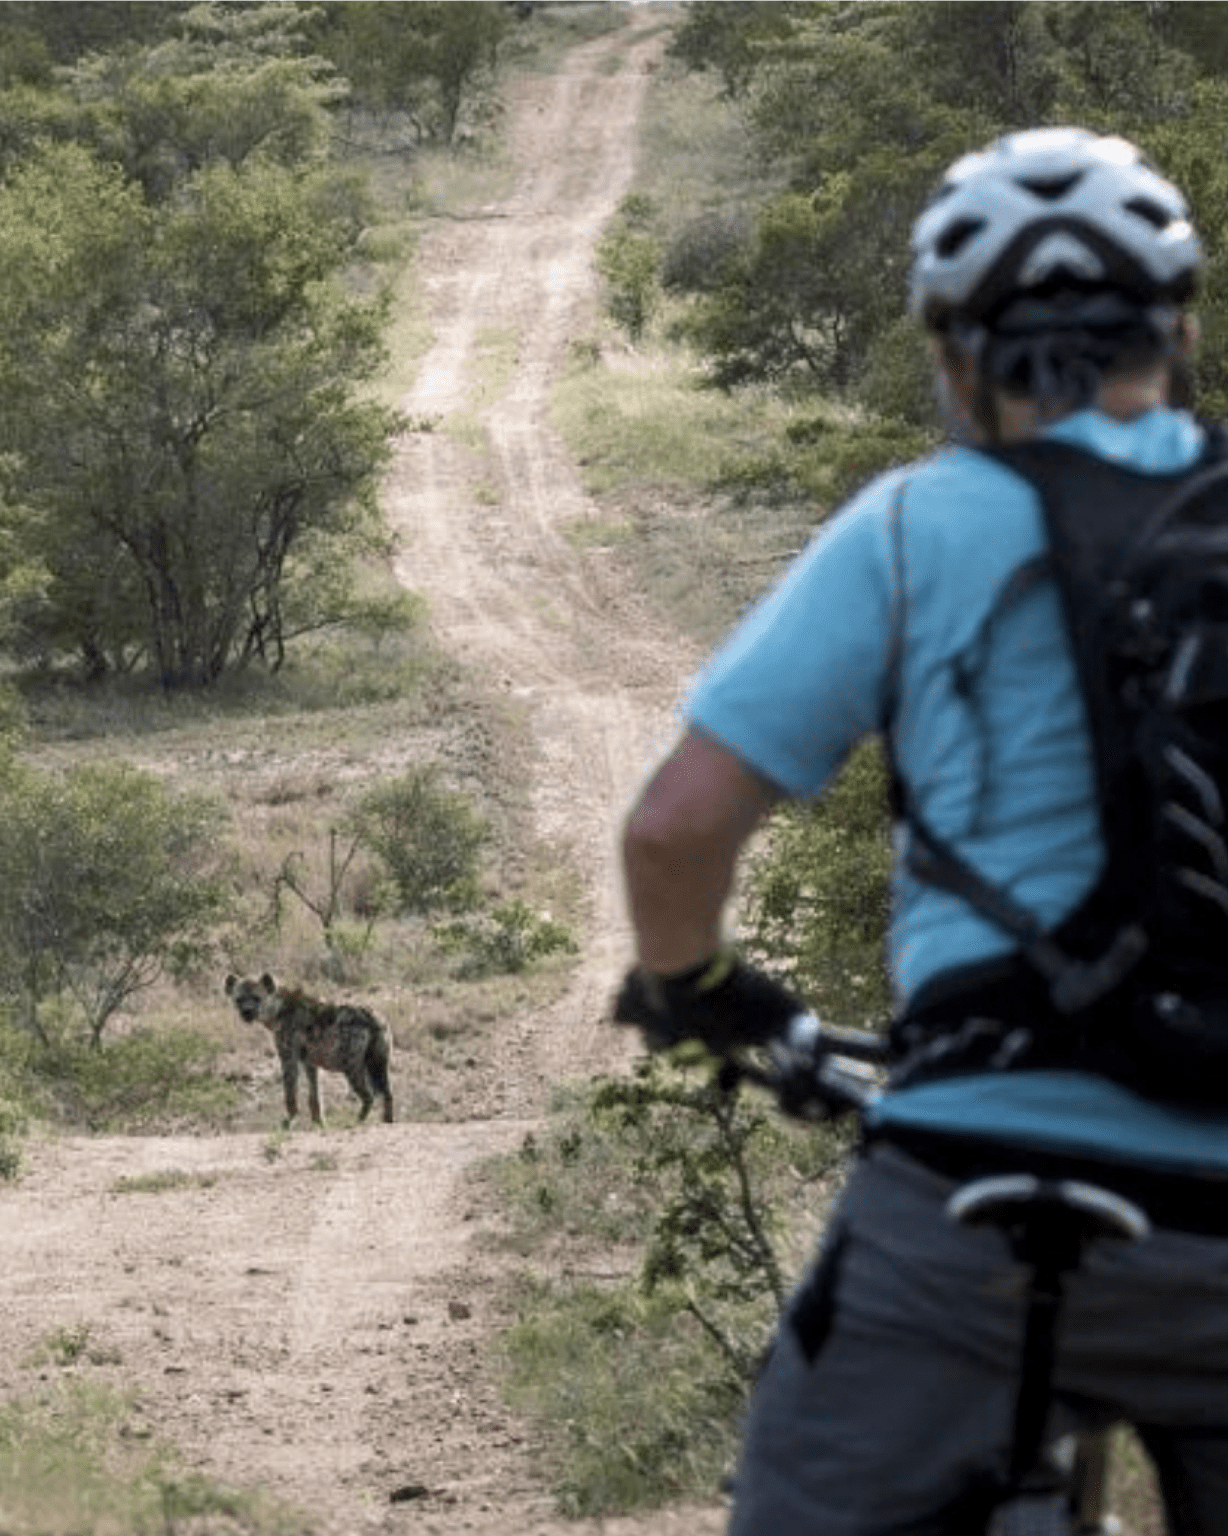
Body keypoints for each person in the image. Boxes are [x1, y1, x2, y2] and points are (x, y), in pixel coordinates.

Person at [616, 127, 1228, 1534]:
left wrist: (699, 990)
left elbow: (672, 831)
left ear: (955, 355)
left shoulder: (917, 524)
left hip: (973, 1205)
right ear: (1181, 329)